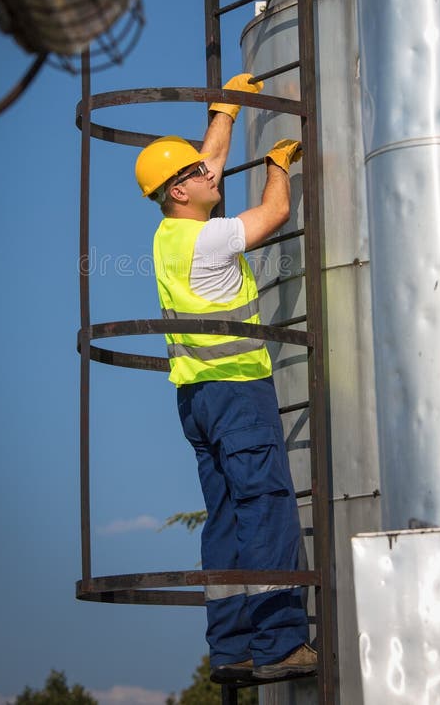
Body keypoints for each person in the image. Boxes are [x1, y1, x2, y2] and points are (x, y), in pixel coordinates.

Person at [134, 74, 317, 684]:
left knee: (227, 517)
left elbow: (205, 166)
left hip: (197, 400)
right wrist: (277, 163)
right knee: (265, 506)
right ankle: (279, 645)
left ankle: (232, 648)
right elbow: (275, 212)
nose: (209, 174)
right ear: (179, 192)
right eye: (195, 175)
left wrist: (227, 112)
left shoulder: (170, 233)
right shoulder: (210, 240)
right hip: (238, 392)